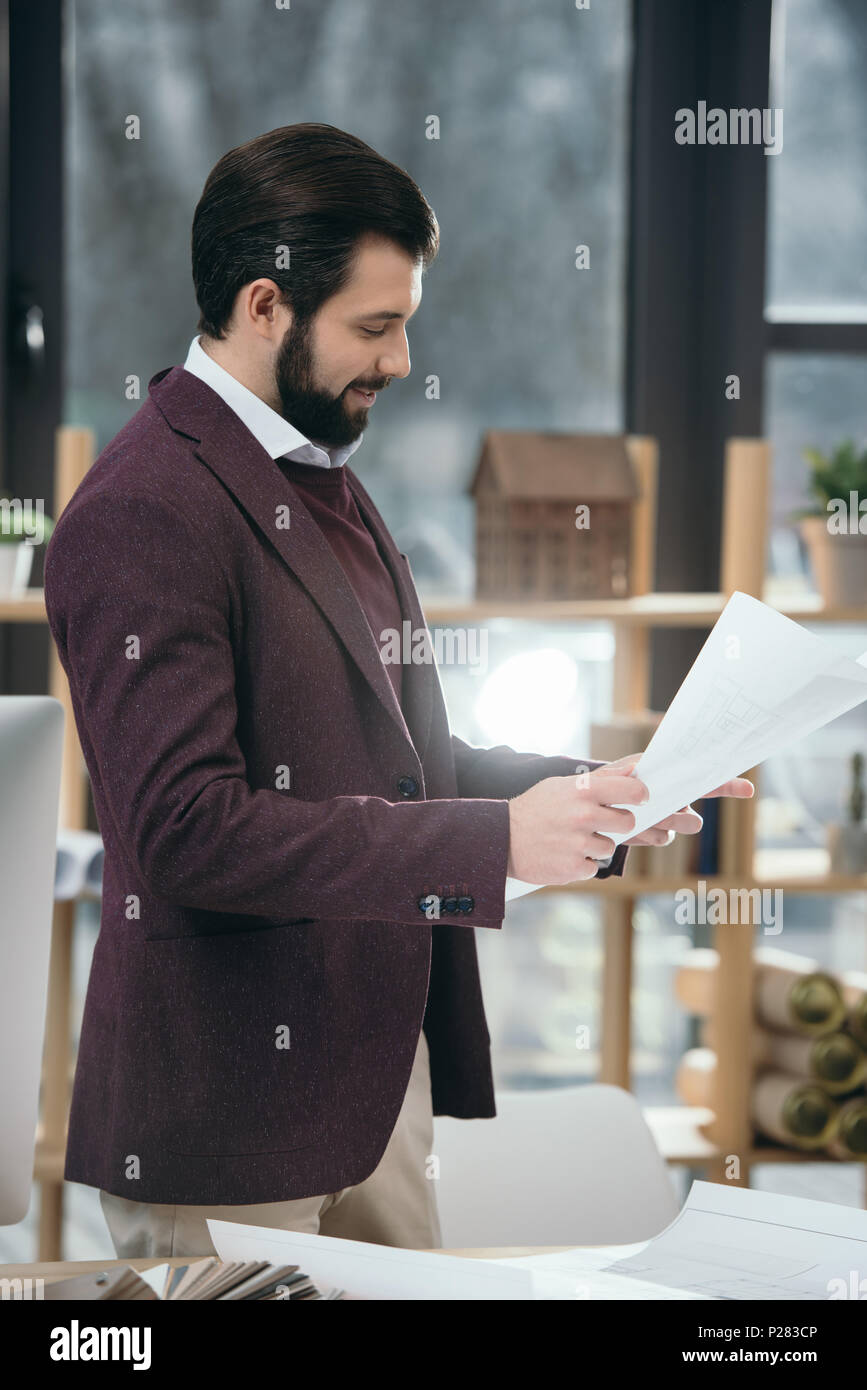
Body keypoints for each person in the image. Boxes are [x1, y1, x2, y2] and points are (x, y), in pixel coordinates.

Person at [44, 123, 753, 1258]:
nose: (402, 359)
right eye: (374, 327)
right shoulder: (144, 508)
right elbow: (185, 831)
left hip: (375, 1092)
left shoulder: (318, 468)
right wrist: (493, 845)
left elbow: (395, 766)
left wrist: (597, 794)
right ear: (265, 305)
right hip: (228, 1123)